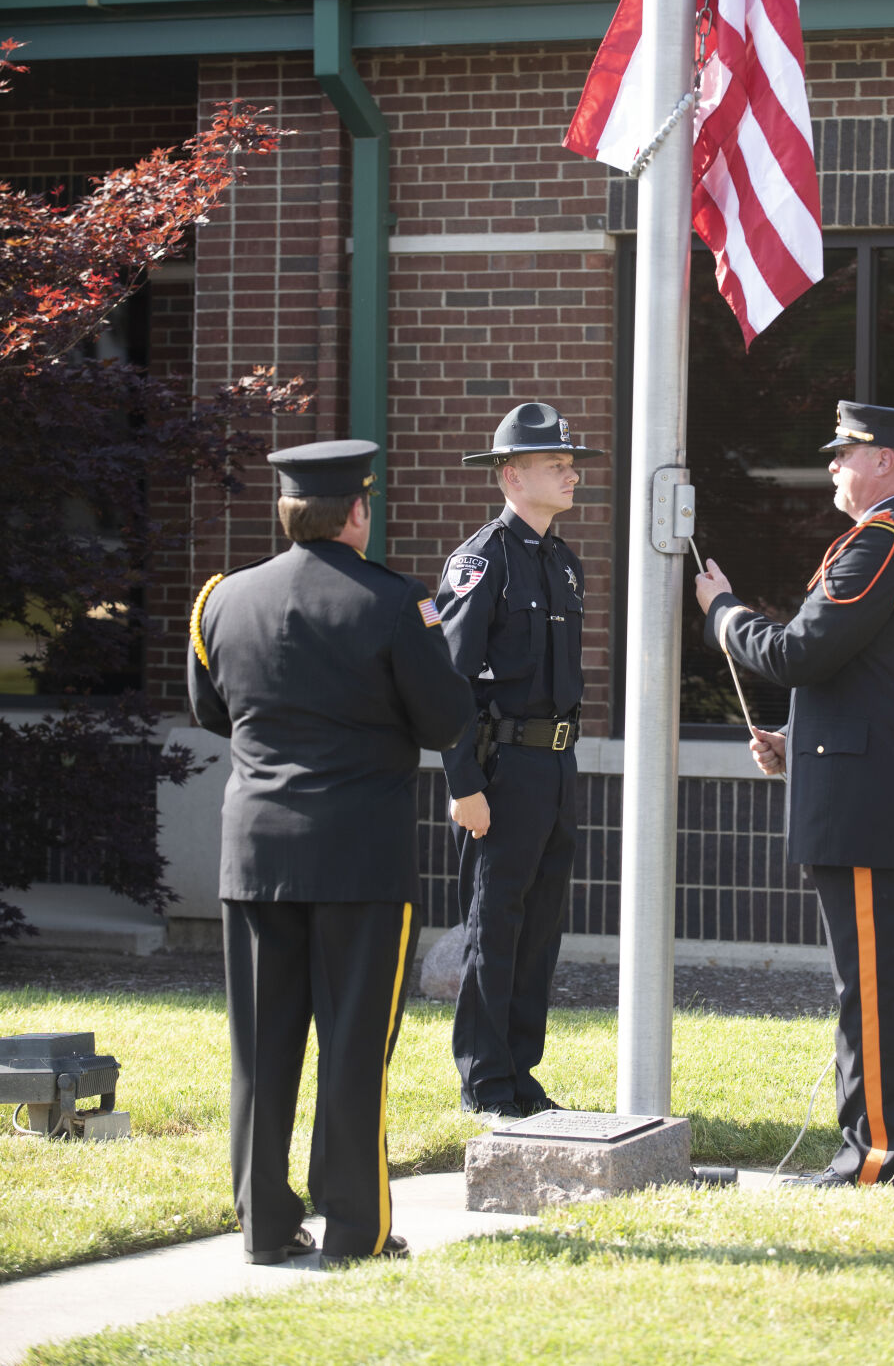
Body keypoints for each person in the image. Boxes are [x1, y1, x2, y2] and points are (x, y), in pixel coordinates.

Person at [187, 440, 472, 1266]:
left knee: (260, 1049)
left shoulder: (222, 599)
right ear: (356, 510)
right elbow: (445, 720)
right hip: (359, 859)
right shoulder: (393, 602)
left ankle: (263, 1226)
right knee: (352, 1047)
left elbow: (213, 710)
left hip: (253, 853)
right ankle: (355, 1227)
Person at [695, 401, 894, 1188]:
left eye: (843, 454)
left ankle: (874, 1157)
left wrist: (722, 612)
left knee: (876, 994)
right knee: (892, 988)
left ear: (883, 459)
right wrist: (797, 742)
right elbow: (869, 676)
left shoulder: (883, 539)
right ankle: (885, 1148)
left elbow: (797, 652)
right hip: (889, 795)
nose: (831, 468)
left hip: (872, 810)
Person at [436, 402, 603, 1120]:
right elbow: (447, 684)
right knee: (493, 924)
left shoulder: (562, 562)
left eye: (570, 462)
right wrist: (463, 785)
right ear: (511, 475)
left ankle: (520, 1076)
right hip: (500, 769)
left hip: (555, 768)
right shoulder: (483, 560)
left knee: (539, 928)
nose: (570, 472)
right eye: (553, 463)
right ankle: (485, 1080)